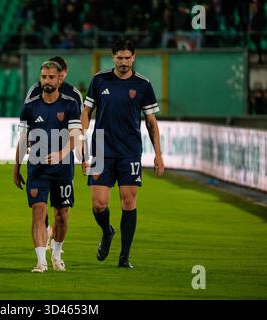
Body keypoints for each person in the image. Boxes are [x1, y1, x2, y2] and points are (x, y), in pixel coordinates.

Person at [81, 39, 164, 268]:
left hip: (129, 152)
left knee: (128, 202)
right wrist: (81, 139)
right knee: (99, 204)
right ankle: (107, 231)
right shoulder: (99, 80)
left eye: (128, 57)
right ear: (113, 57)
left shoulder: (143, 85)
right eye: (120, 57)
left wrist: (158, 154)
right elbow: (86, 111)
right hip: (100, 148)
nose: (124, 61)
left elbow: (151, 122)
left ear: (134, 58)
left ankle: (124, 257)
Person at [13, 61, 81, 272]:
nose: (47, 81)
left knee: (62, 214)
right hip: (37, 169)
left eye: (51, 77)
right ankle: (41, 262)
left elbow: (75, 137)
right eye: (43, 77)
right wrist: (16, 167)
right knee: (38, 211)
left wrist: (60, 154)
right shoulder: (30, 106)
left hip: (62, 170)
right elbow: (23, 139)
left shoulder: (70, 104)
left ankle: (57, 253)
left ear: (59, 78)